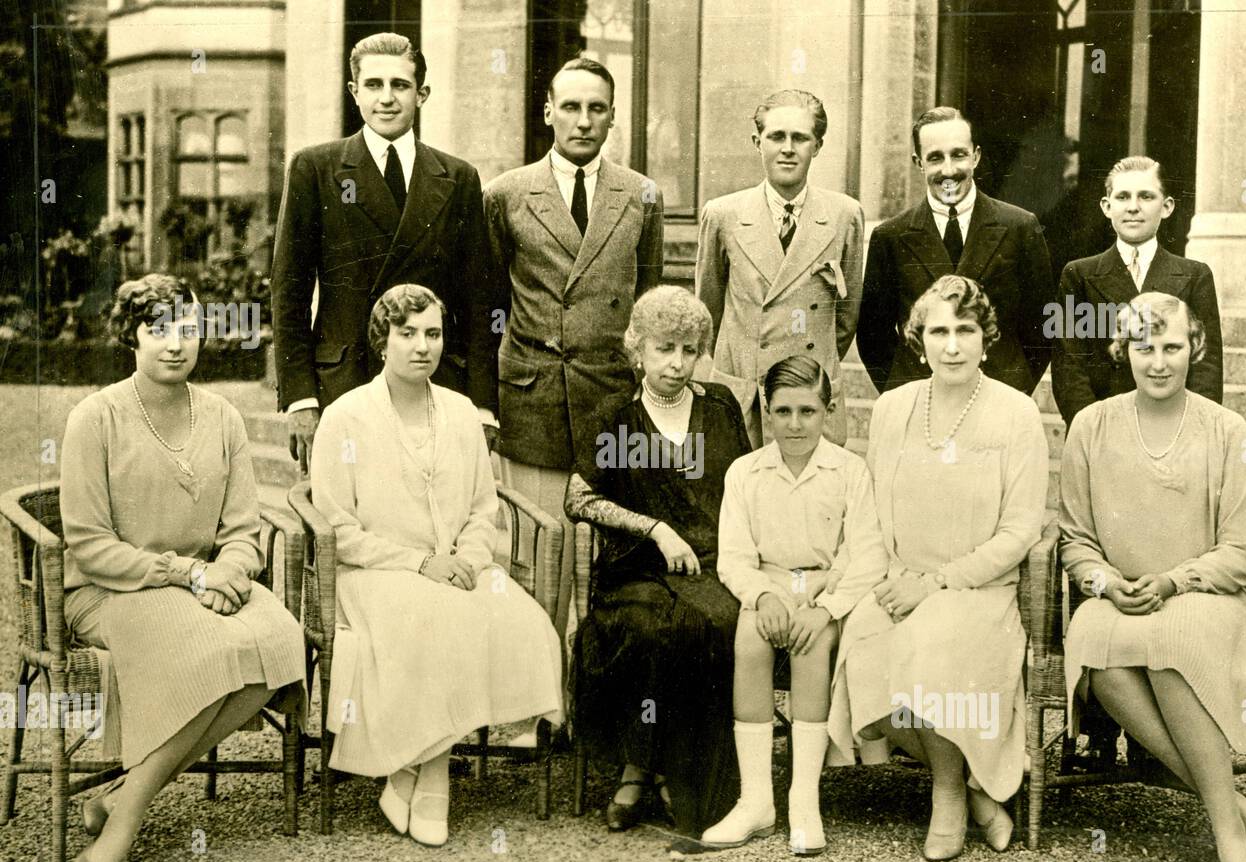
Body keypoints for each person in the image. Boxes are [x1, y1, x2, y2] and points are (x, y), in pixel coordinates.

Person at [59, 275, 306, 862]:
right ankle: (127, 821)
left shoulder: (222, 416)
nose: (176, 344)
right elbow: (89, 546)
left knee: (283, 640)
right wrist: (188, 572)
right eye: (159, 330)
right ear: (132, 336)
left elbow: (244, 528)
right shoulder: (96, 418)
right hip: (112, 590)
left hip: (202, 585)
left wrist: (228, 570)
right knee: (217, 649)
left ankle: (122, 793)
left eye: (189, 331)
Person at [308, 284, 562, 846]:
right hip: (373, 574)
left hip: (455, 568)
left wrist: (469, 561)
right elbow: (338, 528)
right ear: (382, 342)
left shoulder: (460, 412)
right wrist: (421, 563)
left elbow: (481, 506)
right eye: (407, 334)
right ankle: (435, 781)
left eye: (432, 334)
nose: (422, 347)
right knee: (432, 621)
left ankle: (410, 775)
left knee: (519, 619)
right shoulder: (346, 417)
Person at [1058, 292, 1246, 862]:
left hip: (1207, 596)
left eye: (1172, 347)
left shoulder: (1226, 429)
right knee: (1094, 641)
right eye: (1144, 347)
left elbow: (1241, 551)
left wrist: (1171, 582)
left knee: (1169, 637)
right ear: (1122, 350)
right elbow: (1075, 541)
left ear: (1196, 348)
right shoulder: (1091, 425)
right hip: (1120, 597)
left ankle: (1227, 834)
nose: (1158, 362)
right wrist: (1106, 582)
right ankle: (1235, 806)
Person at [831, 275, 1049, 862]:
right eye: (938, 332)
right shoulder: (894, 407)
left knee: (934, 643)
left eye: (965, 330)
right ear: (917, 339)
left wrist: (940, 582)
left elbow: (1021, 530)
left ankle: (950, 794)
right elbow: (872, 510)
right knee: (863, 643)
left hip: (979, 589)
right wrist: (887, 580)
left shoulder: (1017, 412)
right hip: (901, 579)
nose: (951, 345)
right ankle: (978, 791)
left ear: (987, 338)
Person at [484, 56, 664, 654]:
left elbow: (649, 306)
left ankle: (597, 698)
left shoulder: (641, 195)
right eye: (570, 106)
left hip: (609, 397)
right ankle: (533, 703)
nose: (582, 121)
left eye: (596, 108)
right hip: (532, 398)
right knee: (534, 550)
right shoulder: (506, 194)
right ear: (547, 112)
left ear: (613, 117)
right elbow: (490, 305)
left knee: (608, 555)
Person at [565, 287, 750, 848]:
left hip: (713, 567)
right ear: (637, 350)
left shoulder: (720, 409)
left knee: (714, 625)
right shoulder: (616, 418)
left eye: (689, 350)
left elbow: (747, 487)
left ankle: (681, 773)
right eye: (665, 348)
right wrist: (653, 526)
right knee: (645, 628)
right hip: (636, 570)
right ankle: (637, 767)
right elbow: (578, 499)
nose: (677, 362)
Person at [272, 31, 498, 473]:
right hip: (343, 382)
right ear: (354, 92)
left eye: (400, 85)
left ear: (422, 94)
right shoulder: (315, 168)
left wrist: (484, 405)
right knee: (345, 519)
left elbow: (480, 301)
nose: (387, 99)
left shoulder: (458, 176)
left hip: (433, 382)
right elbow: (289, 292)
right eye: (374, 85)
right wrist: (300, 398)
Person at [705, 357, 885, 856]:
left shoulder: (850, 471)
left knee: (811, 647)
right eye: (782, 411)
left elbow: (868, 555)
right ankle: (756, 799)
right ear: (766, 412)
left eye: (807, 411)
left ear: (828, 411)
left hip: (828, 593)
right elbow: (734, 556)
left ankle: (804, 799)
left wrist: (826, 607)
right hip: (770, 588)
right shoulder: (746, 472)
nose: (795, 424)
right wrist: (762, 595)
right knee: (749, 639)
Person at [695, 89, 865, 448]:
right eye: (776, 137)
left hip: (811, 392)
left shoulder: (844, 215)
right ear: (758, 142)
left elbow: (846, 317)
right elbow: (708, 309)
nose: (788, 148)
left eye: (800, 138)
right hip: (747, 395)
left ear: (817, 146)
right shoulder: (724, 214)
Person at [857, 107, 1055, 397]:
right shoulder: (890, 236)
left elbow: (1041, 325)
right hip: (920, 400)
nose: (948, 170)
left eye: (958, 155)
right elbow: (873, 335)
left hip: (997, 398)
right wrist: (903, 391)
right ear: (918, 162)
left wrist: (1014, 388)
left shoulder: (1020, 227)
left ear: (975, 156)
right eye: (935, 158)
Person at [1051, 156, 1223, 431]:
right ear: (1107, 207)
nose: (1133, 207)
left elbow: (1207, 366)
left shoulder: (1195, 276)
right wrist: (1093, 430)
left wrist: (1191, 430)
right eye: (1122, 197)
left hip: (1174, 428)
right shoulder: (1078, 275)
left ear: (1166, 207)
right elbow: (1068, 368)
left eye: (1145, 196)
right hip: (1103, 427)